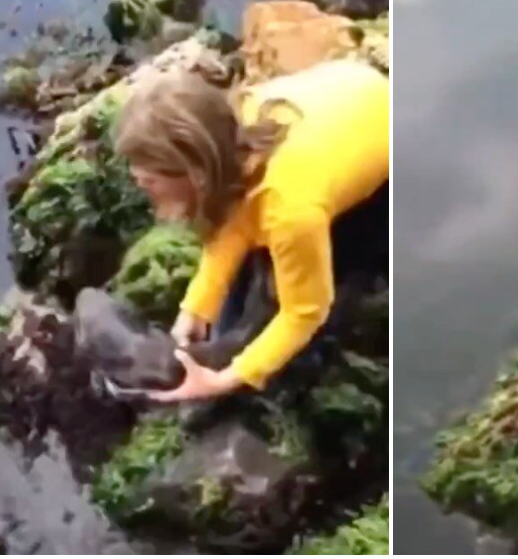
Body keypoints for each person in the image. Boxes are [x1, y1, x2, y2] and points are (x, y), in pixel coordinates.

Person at [114, 57, 389, 401]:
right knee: (249, 274)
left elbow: (304, 311)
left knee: (308, 311)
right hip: (346, 89)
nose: (138, 180)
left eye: (149, 178)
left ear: (197, 175)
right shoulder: (227, 127)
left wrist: (227, 379)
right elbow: (233, 218)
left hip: (385, 147)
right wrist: (197, 309)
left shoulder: (291, 209)